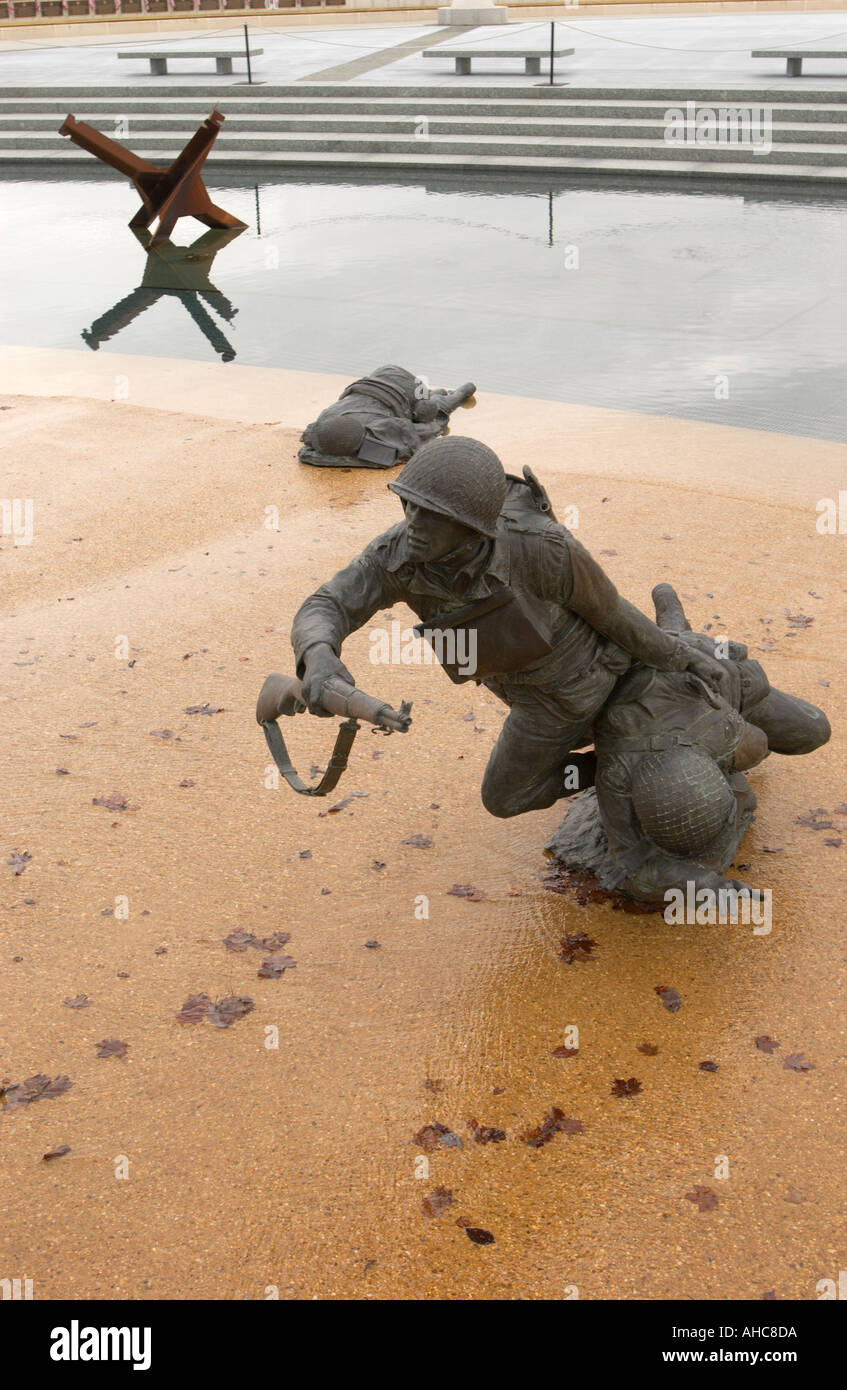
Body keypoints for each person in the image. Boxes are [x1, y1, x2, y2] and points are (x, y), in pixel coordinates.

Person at [290, 437, 736, 819]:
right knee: (505, 799)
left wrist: (682, 659)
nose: (413, 522)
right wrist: (318, 654)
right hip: (538, 705)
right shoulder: (395, 558)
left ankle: (627, 757)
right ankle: (607, 768)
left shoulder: (543, 549)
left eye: (431, 513)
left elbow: (613, 613)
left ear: (472, 527)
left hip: (596, 676)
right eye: (408, 503)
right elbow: (328, 604)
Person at [298, 364, 476, 469]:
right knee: (429, 402)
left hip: (403, 387)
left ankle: (455, 396)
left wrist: (439, 420)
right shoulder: (326, 421)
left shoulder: (383, 428)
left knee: (432, 410)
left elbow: (426, 431)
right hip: (379, 379)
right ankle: (435, 395)